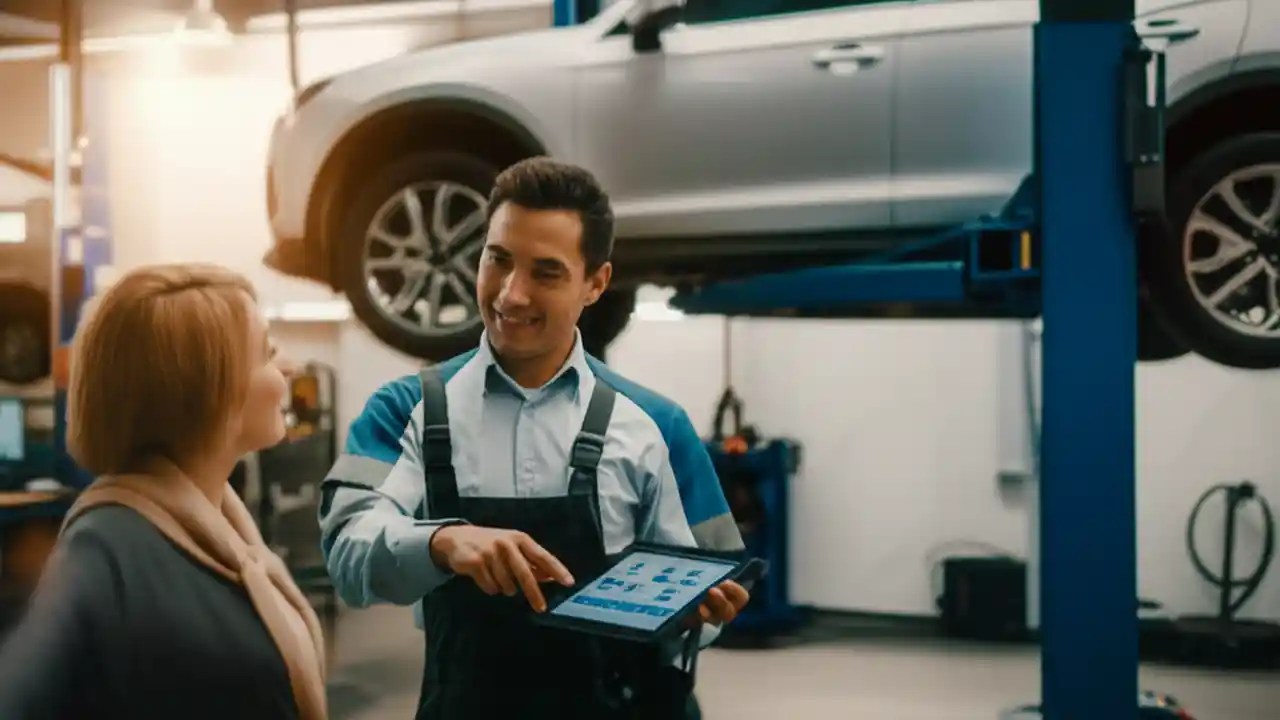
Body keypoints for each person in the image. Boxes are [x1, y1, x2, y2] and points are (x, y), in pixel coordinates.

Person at [320, 157, 749, 719]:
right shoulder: (406, 412)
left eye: (546, 273)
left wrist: (693, 615)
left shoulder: (658, 427)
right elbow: (348, 552)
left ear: (596, 283)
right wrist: (441, 542)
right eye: (497, 260)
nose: (511, 295)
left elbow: (713, 585)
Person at [0, 263, 328, 720]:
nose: (289, 367)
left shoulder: (223, 527)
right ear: (207, 387)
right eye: (268, 353)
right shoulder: (106, 545)